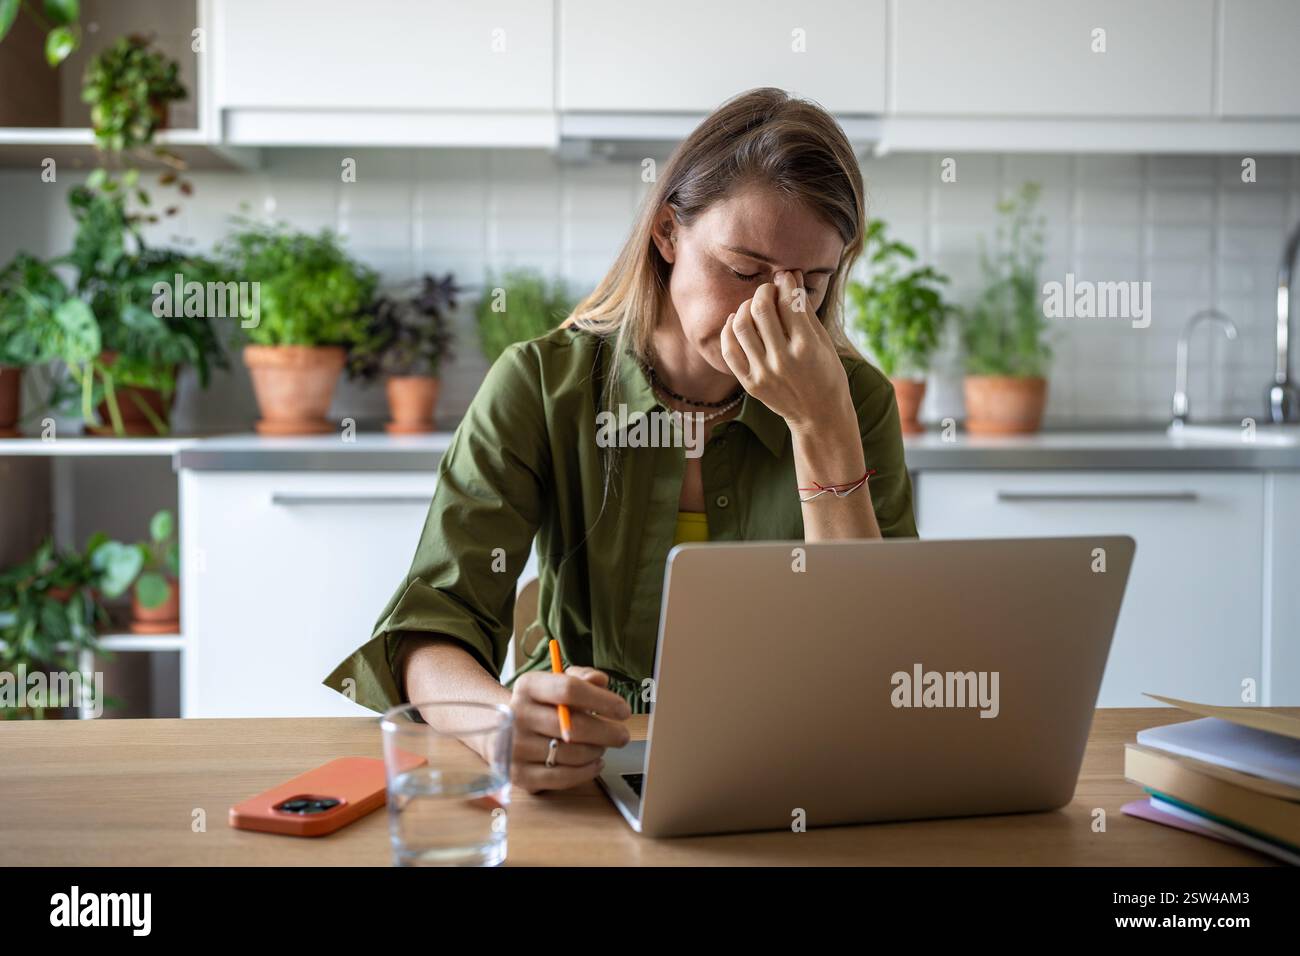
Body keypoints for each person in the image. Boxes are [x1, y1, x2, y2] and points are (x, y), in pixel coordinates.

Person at [325, 87, 918, 793]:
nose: (775, 311)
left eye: (810, 284)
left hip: (789, 773)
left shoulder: (855, 403)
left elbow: (874, 662)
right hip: (582, 771)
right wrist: (500, 724)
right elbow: (428, 628)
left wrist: (821, 429)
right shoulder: (543, 385)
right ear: (669, 234)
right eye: (744, 271)